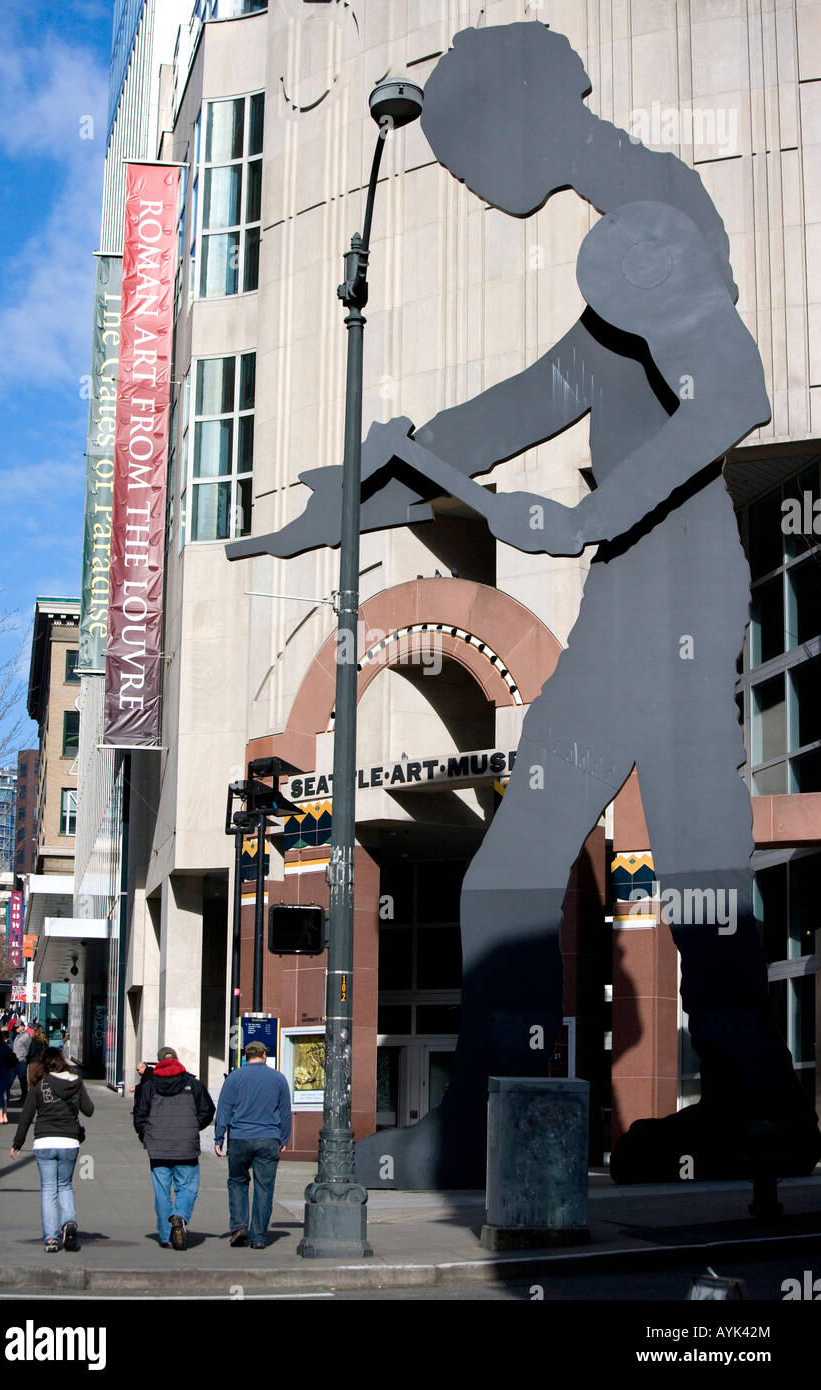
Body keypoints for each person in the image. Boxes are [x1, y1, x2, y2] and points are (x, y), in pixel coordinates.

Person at [232, 20, 821, 1187]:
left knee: (521, 861)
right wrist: (352, 496)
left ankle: (484, 1126)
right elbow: (528, 400)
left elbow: (733, 392)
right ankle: (755, 1108)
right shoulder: (630, 220)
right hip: (665, 572)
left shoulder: (646, 220)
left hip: (659, 569)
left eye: (458, 153)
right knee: (696, 859)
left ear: (515, 120)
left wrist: (595, 516)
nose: (464, 179)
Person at [9, 1047, 94, 1253]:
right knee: (65, 1185)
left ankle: (51, 1239)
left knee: (48, 1190)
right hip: (69, 1141)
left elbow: (27, 1116)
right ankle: (69, 1222)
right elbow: (89, 1110)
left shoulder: (39, 1084)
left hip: (45, 1141)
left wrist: (17, 1144)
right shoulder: (76, 1081)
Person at [133, 1047, 214, 1250]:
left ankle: (166, 1234)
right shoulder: (192, 1083)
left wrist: (146, 1135)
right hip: (186, 1145)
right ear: (177, 1060)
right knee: (188, 1186)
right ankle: (180, 1216)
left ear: (158, 1062)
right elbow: (207, 1110)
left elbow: (139, 1115)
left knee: (161, 1191)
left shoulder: (149, 1085)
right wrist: (194, 1126)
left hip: (157, 1146)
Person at [214, 1041, 291, 1249]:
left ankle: (239, 1226)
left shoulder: (234, 1078)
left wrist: (219, 1137)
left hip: (240, 1138)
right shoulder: (278, 1078)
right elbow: (285, 1111)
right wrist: (284, 1138)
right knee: (264, 1188)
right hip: (268, 1138)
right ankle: (258, 1237)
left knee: (237, 1181)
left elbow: (224, 1109)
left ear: (245, 1056)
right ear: (264, 1055)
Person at [12, 1020, 32, 1103]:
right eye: (16, 1027)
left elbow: (29, 1049)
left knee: (22, 1080)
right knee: (11, 1079)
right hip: (15, 1061)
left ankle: (25, 1097)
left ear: (22, 1027)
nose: (16, 1028)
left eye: (18, 1027)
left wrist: (27, 1059)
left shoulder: (26, 1037)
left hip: (21, 1061)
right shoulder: (17, 1036)